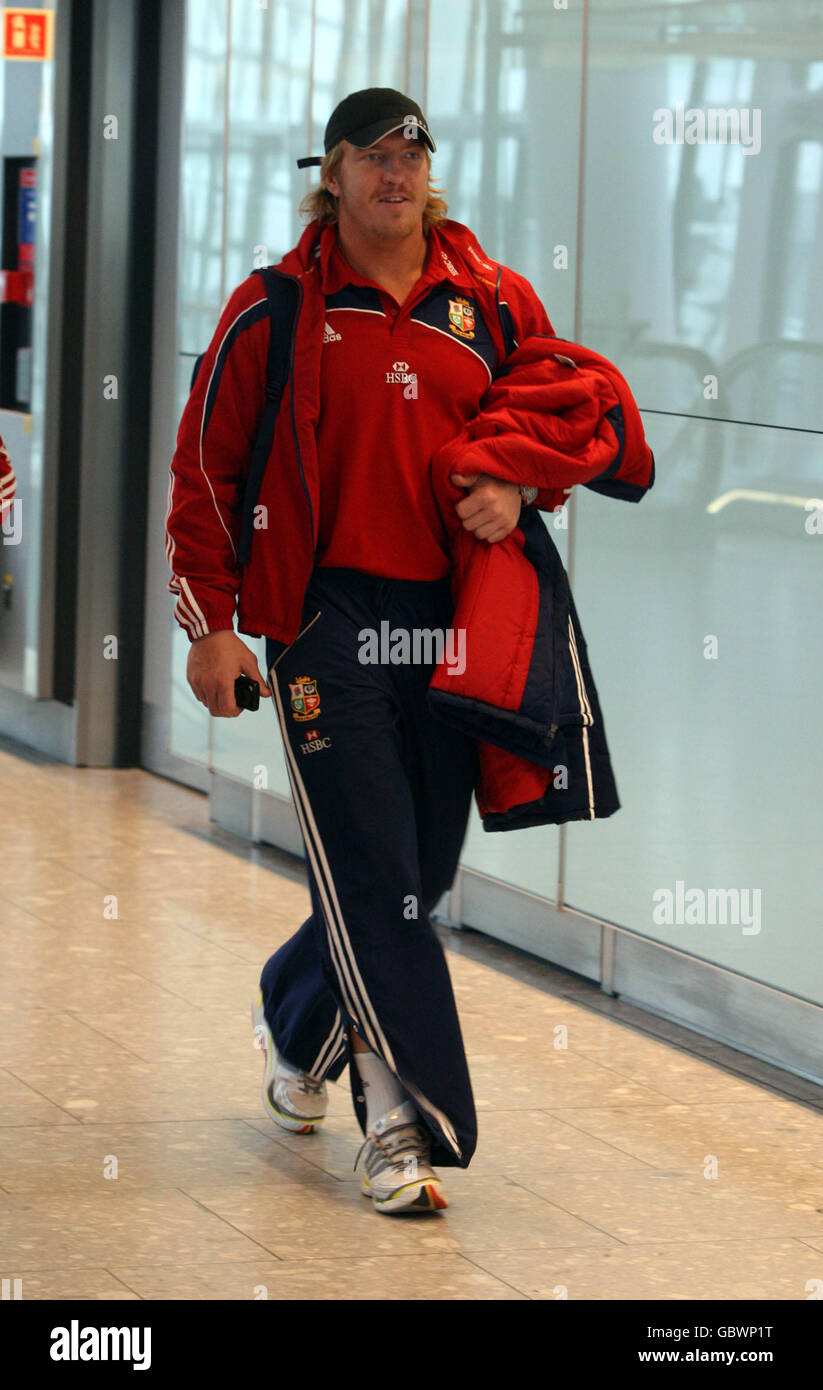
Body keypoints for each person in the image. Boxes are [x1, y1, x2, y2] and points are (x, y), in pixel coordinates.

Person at [165, 88, 614, 1215]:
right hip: (326, 624)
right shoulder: (272, 308)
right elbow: (204, 475)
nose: (394, 172)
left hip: (451, 627)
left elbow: (567, 421)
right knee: (374, 873)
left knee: (419, 874)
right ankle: (403, 1120)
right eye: (371, 155)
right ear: (332, 172)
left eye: (411, 152)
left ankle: (294, 1009)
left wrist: (521, 486)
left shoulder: (494, 300)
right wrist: (211, 626)